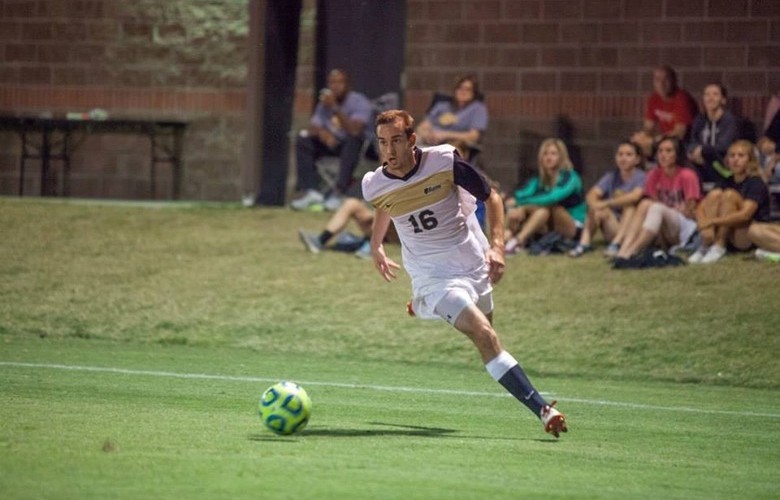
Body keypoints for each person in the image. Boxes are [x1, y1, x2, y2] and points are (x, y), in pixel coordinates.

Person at [362, 109, 567, 438]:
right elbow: (383, 205)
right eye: (383, 142)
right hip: (432, 276)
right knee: (485, 336)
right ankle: (543, 409)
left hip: (472, 262)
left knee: (489, 331)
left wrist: (497, 247)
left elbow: (492, 197)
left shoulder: (444, 162)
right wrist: (376, 245)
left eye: (396, 140)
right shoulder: (373, 184)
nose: (389, 150)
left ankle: (425, 307)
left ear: (412, 140)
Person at [291, 69, 373, 211]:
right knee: (303, 139)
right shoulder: (324, 103)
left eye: (339, 82)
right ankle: (311, 191)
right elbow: (313, 126)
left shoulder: (359, 102)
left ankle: (339, 192)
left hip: (352, 148)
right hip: (331, 144)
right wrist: (322, 132)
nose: (335, 86)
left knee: (354, 139)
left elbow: (355, 130)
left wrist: (334, 107)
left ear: (347, 85)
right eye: (332, 83)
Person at [614, 136, 701, 262]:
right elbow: (652, 203)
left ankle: (633, 251)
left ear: (677, 154)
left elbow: (690, 212)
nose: (663, 155)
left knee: (656, 208)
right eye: (660, 151)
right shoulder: (654, 174)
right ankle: (624, 250)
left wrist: (672, 210)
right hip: (662, 224)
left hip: (685, 227)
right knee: (645, 203)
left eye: (668, 151)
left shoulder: (687, 175)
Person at [688, 140, 772, 264]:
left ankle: (719, 245)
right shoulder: (726, 180)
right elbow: (702, 206)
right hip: (729, 232)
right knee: (715, 194)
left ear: (750, 160)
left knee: (729, 195)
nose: (735, 159)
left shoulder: (755, 182)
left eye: (741, 156)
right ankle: (706, 245)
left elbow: (745, 215)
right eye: (732, 156)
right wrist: (703, 225)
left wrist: (711, 221)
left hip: (747, 235)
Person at [504, 138, 586, 254]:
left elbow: (553, 198)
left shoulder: (571, 177)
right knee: (528, 210)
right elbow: (521, 194)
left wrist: (522, 205)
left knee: (551, 207)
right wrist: (516, 204)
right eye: (545, 154)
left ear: (561, 157)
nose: (549, 157)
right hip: (550, 225)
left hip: (574, 227)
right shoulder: (539, 179)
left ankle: (515, 240)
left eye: (553, 154)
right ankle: (511, 239)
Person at [569, 141, 647, 258]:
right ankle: (584, 243)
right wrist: (595, 204)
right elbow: (591, 195)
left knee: (629, 206)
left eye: (628, 155)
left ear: (637, 160)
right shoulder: (611, 176)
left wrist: (606, 203)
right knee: (597, 209)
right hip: (613, 226)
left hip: (633, 229)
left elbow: (635, 196)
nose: (623, 158)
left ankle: (616, 245)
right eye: (620, 154)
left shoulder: (642, 177)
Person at [631, 65, 698, 160]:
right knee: (634, 146)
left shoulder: (682, 98)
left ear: (674, 81)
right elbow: (648, 126)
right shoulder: (654, 98)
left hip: (687, 143)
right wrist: (642, 136)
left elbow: (680, 133)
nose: (661, 84)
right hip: (667, 140)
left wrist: (654, 140)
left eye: (666, 80)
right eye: (657, 80)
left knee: (659, 147)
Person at [415, 74, 488, 157]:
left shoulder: (477, 108)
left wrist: (445, 135)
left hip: (455, 143)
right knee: (410, 142)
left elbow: (474, 136)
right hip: (431, 140)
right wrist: (427, 134)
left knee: (452, 151)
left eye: (468, 89)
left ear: (474, 93)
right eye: (460, 88)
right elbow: (422, 126)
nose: (463, 91)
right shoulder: (442, 105)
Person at [686, 83, 741, 189]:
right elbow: (692, 142)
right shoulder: (699, 120)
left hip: (723, 167)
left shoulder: (730, 121)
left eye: (715, 94)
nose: (710, 98)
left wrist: (703, 151)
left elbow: (724, 146)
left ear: (723, 100)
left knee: (708, 152)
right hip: (701, 163)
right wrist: (695, 151)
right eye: (707, 95)